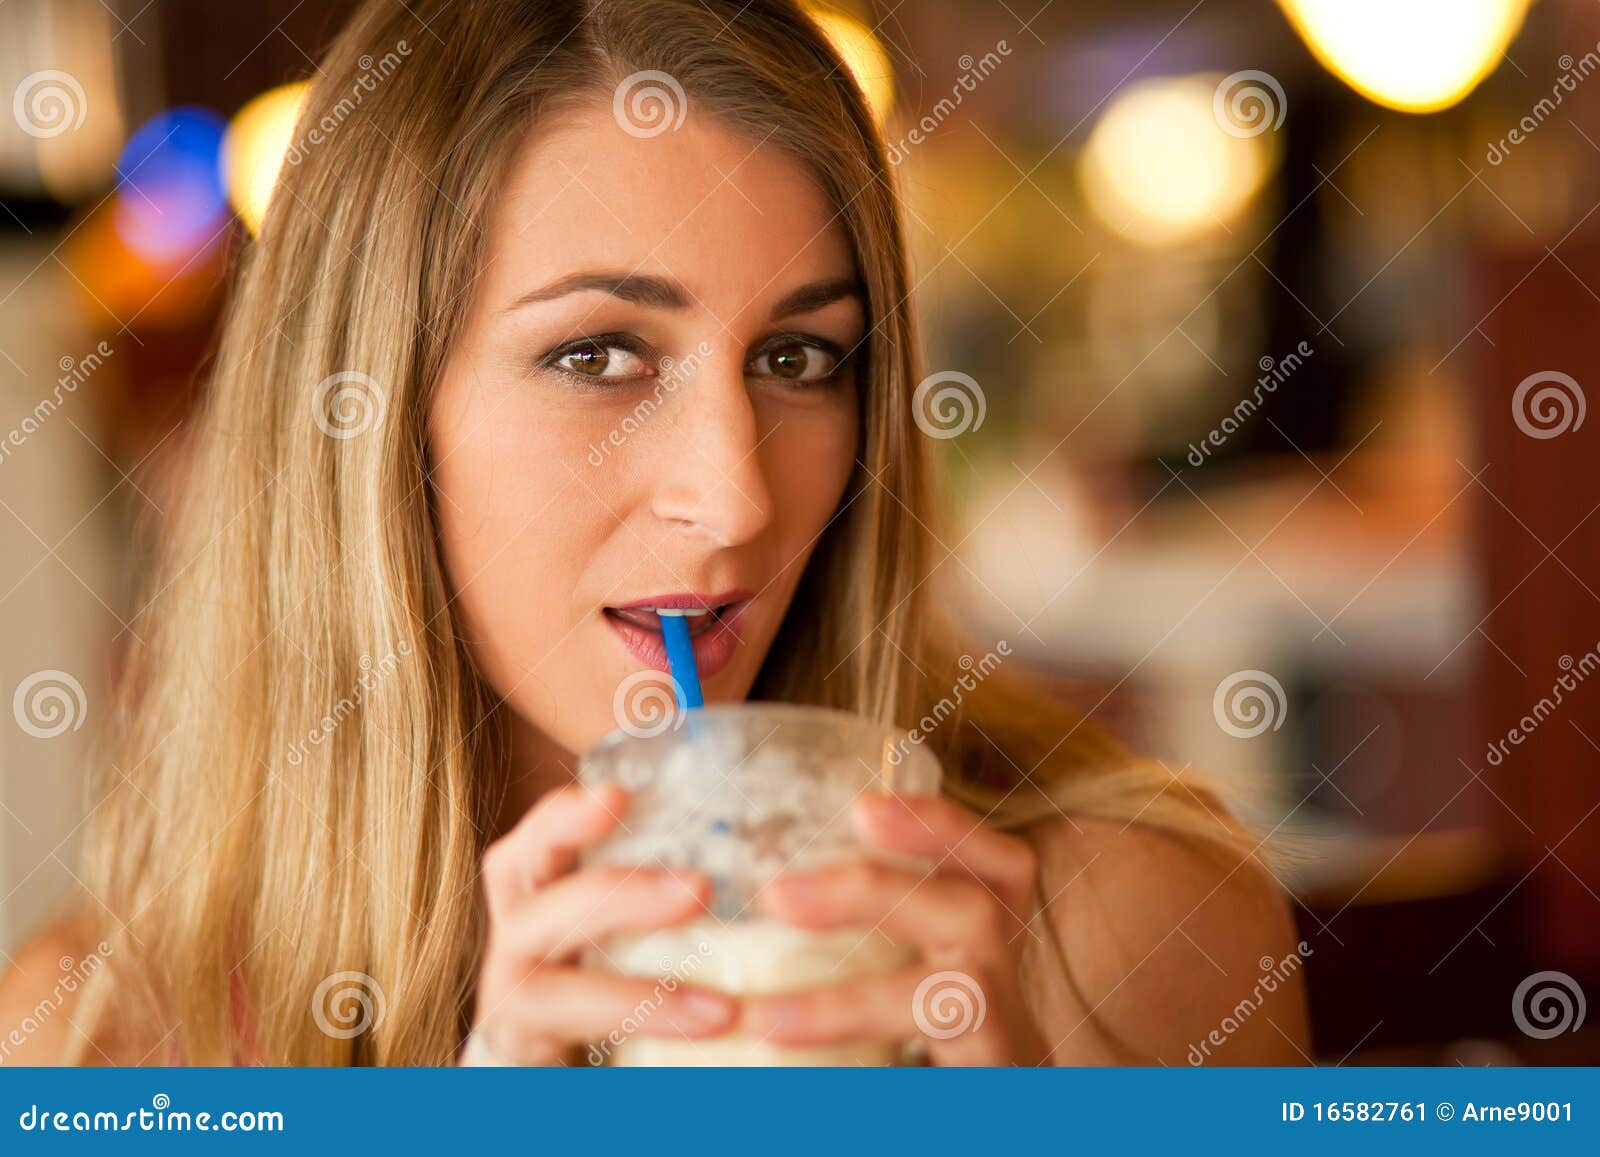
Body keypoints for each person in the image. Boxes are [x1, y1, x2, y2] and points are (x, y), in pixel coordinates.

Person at [0, 0, 1307, 1066]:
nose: (736, 497)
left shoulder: (1119, 935)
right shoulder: (105, 1036)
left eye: (800, 355)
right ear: (366, 421)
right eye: (601, 353)